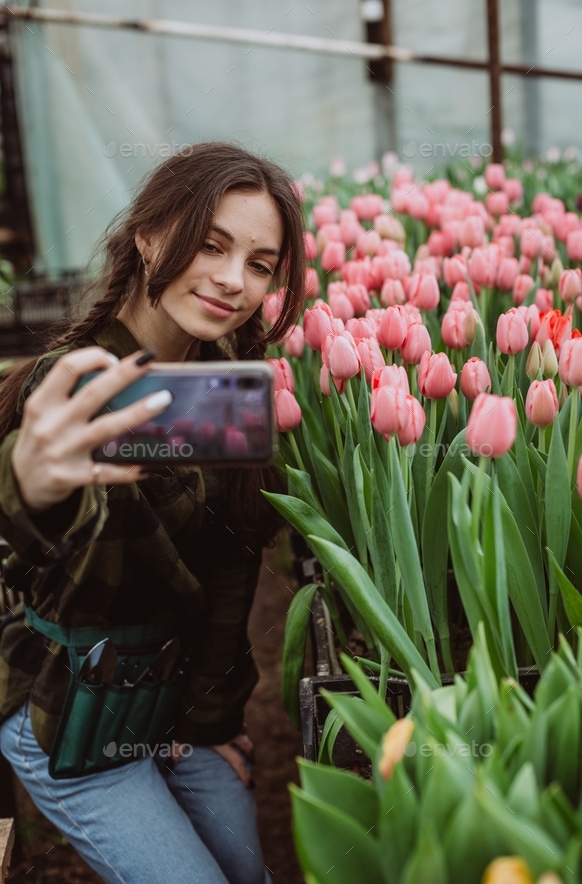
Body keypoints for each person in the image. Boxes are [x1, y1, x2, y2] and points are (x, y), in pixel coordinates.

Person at [0, 142, 305, 884]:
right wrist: (28, 490)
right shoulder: (69, 388)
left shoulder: (225, 392)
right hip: (63, 707)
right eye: (210, 245)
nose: (233, 280)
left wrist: (209, 720)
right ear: (149, 234)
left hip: (166, 706)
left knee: (252, 875)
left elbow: (232, 577)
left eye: (260, 265)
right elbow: (46, 534)